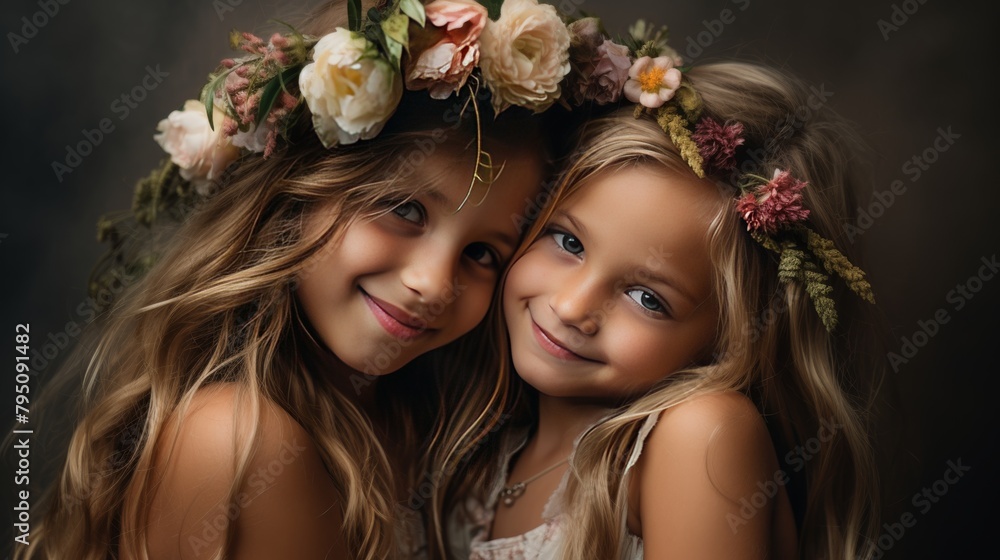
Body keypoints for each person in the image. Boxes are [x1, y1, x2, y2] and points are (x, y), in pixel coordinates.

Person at [15, 0, 581, 558]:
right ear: (298, 190)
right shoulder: (240, 441)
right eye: (404, 210)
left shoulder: (420, 423)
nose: (434, 284)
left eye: (482, 253)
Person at [440, 22, 883, 560]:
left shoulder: (700, 434)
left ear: (732, 339)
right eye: (568, 242)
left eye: (648, 299)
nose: (571, 306)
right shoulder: (486, 437)